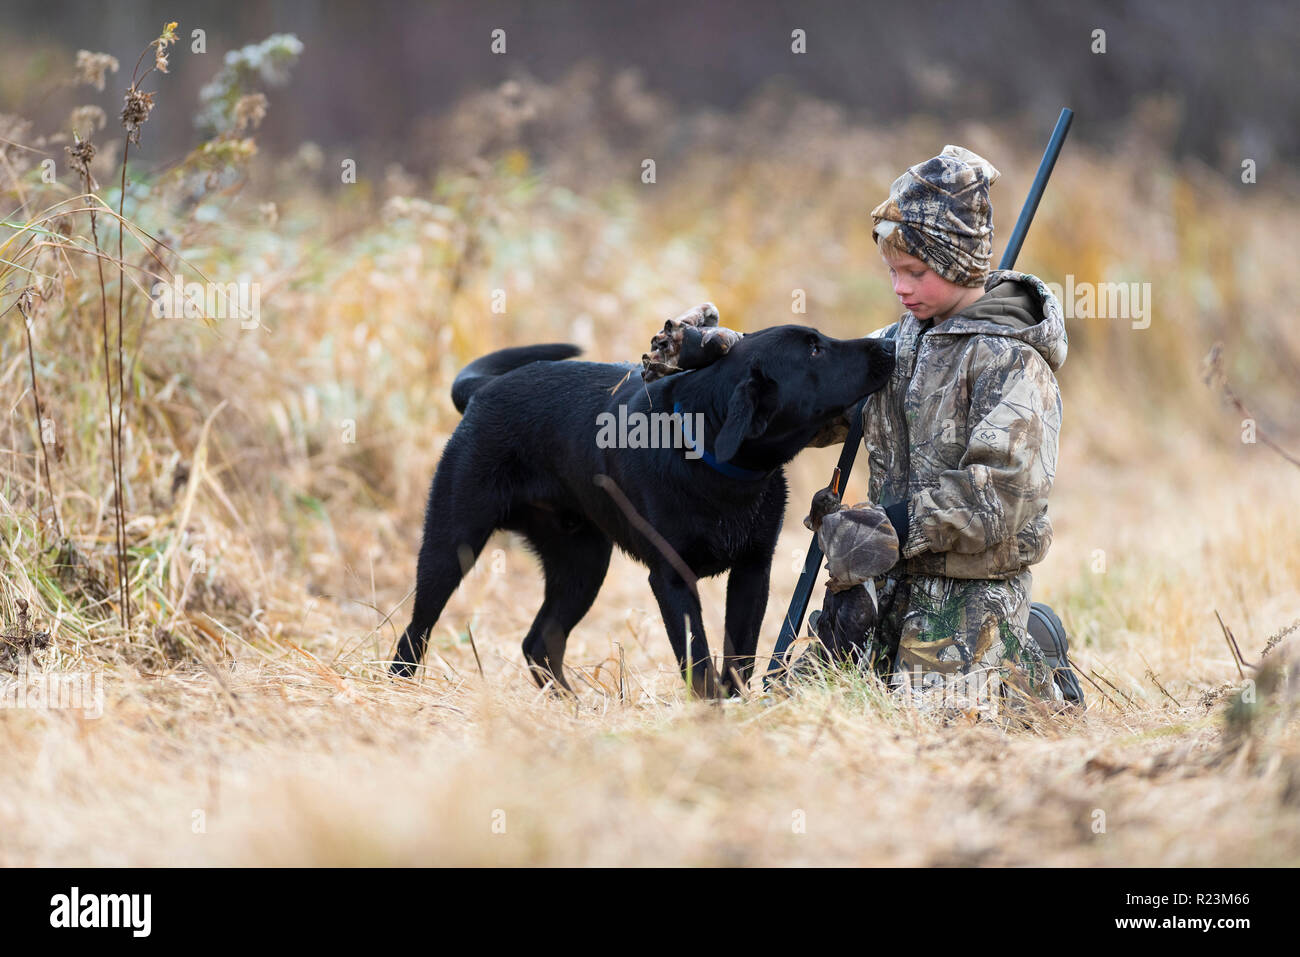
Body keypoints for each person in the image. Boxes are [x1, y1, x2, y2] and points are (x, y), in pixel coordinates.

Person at [805, 144, 1074, 720]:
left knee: (934, 722)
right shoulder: (897, 341)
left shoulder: (1013, 363)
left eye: (915, 272)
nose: (900, 288)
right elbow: (822, 403)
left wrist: (889, 525)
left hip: (969, 583)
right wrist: (731, 369)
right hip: (888, 578)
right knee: (809, 701)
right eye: (893, 273)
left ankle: (1036, 657)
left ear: (959, 265)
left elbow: (1001, 498)